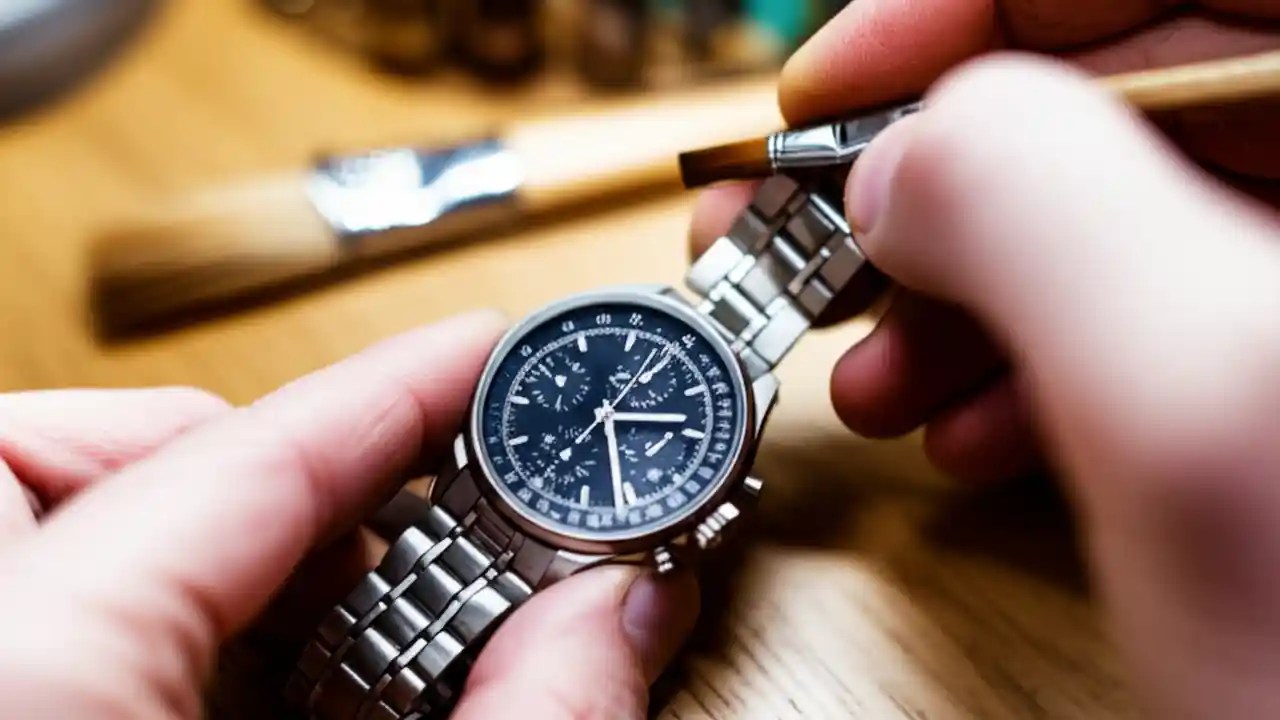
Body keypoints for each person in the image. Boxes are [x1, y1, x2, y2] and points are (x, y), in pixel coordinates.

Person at [1, 1, 1277, 717]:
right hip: (495, 495)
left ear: (710, 507)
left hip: (575, 514)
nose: (619, 422)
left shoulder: (734, 411)